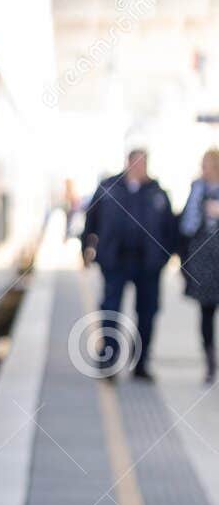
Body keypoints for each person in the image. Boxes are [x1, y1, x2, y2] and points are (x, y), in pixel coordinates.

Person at [81, 148, 178, 381]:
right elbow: (90, 221)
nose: (139, 168)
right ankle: (108, 361)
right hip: (115, 262)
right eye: (136, 163)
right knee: (111, 310)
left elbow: (170, 229)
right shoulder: (108, 189)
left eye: (143, 164)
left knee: (147, 313)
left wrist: (164, 258)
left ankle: (141, 363)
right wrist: (85, 249)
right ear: (128, 163)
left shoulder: (158, 193)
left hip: (148, 265)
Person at [179, 149, 219, 385]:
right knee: (206, 311)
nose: (204, 168)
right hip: (204, 258)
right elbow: (186, 225)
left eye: (208, 164)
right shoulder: (198, 188)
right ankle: (209, 360)